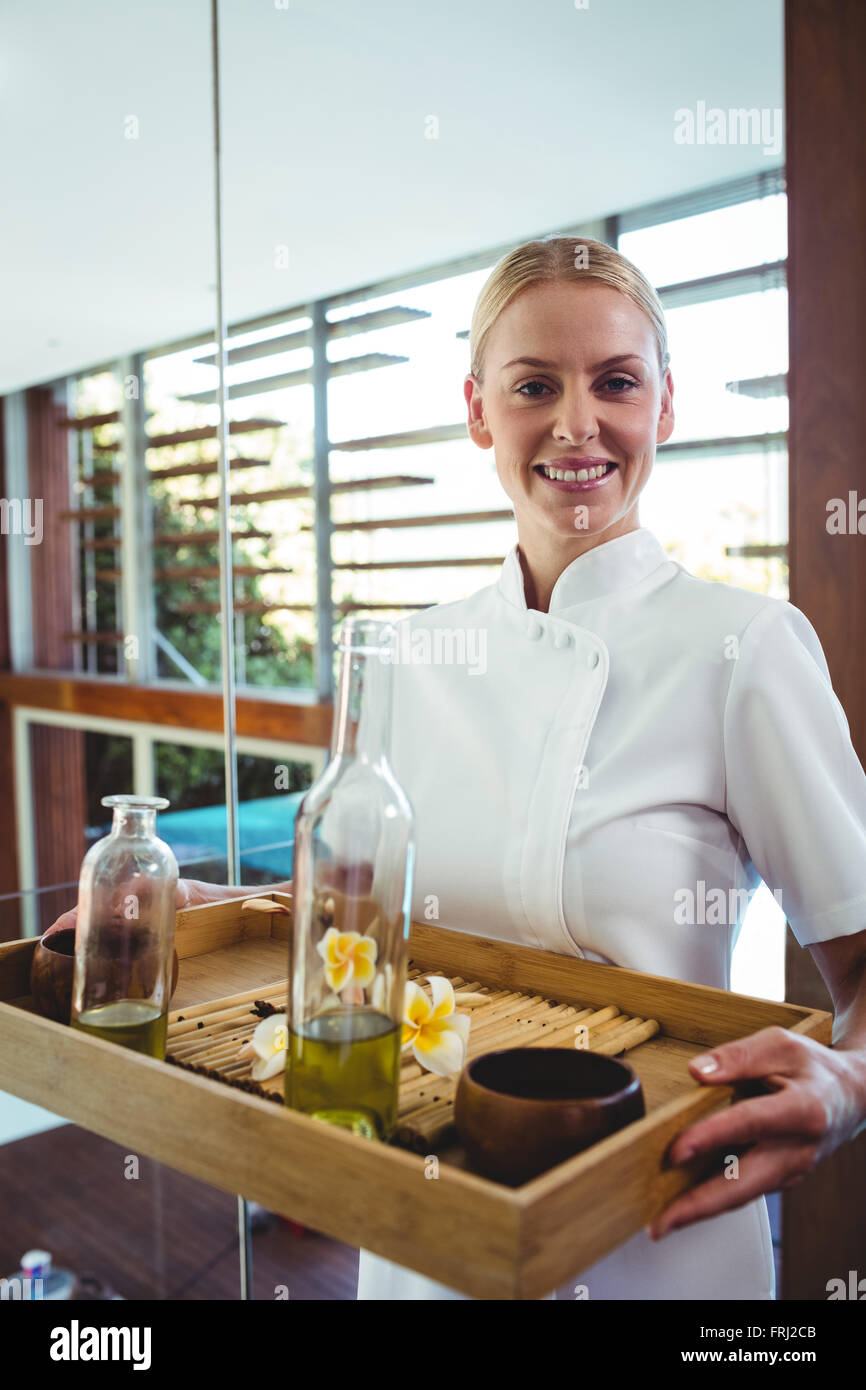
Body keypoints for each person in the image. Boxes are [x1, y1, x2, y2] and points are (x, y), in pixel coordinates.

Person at [47, 237, 866, 1300]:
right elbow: (364, 926)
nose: (576, 423)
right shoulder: (407, 655)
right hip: (423, 1212)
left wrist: (847, 1085)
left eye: (616, 382)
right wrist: (218, 910)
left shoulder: (744, 647)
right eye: (534, 385)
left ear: (665, 406)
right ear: (479, 411)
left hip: (652, 1233)